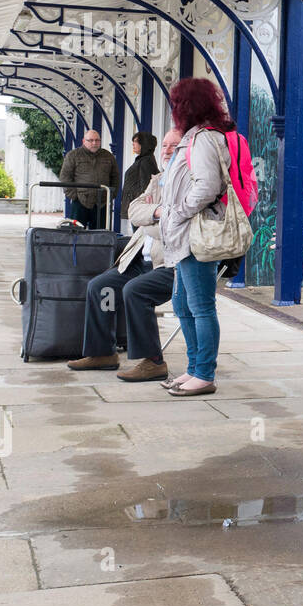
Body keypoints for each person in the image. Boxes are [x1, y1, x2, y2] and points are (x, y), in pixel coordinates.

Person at [66, 129, 181, 380]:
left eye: (174, 145)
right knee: (100, 287)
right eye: (164, 145)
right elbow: (134, 209)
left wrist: (151, 214)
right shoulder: (158, 179)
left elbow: (175, 226)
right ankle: (102, 353)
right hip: (140, 258)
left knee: (135, 291)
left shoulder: (189, 183)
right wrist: (157, 213)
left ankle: (153, 361)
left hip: (169, 265)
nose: (167, 150)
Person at [156, 78, 234, 397]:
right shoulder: (193, 138)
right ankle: (193, 368)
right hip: (183, 236)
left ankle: (204, 373)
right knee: (182, 303)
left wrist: (178, 212)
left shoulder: (203, 139)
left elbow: (206, 186)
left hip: (195, 234)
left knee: (201, 305)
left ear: (187, 106)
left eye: (177, 103)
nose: (174, 110)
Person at [59, 128, 118, 229]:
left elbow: (115, 177)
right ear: (83, 141)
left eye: (97, 140)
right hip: (80, 202)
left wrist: (110, 195)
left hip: (102, 202)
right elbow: (65, 177)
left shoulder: (108, 156)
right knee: (76, 235)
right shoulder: (73, 155)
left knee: (100, 236)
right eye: (90, 140)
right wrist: (74, 196)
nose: (94, 143)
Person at [121, 131, 159, 220]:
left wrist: (138, 205)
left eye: (135, 141)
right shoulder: (143, 160)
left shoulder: (146, 162)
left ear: (144, 143)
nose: (133, 144)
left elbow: (146, 187)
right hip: (135, 206)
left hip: (138, 208)